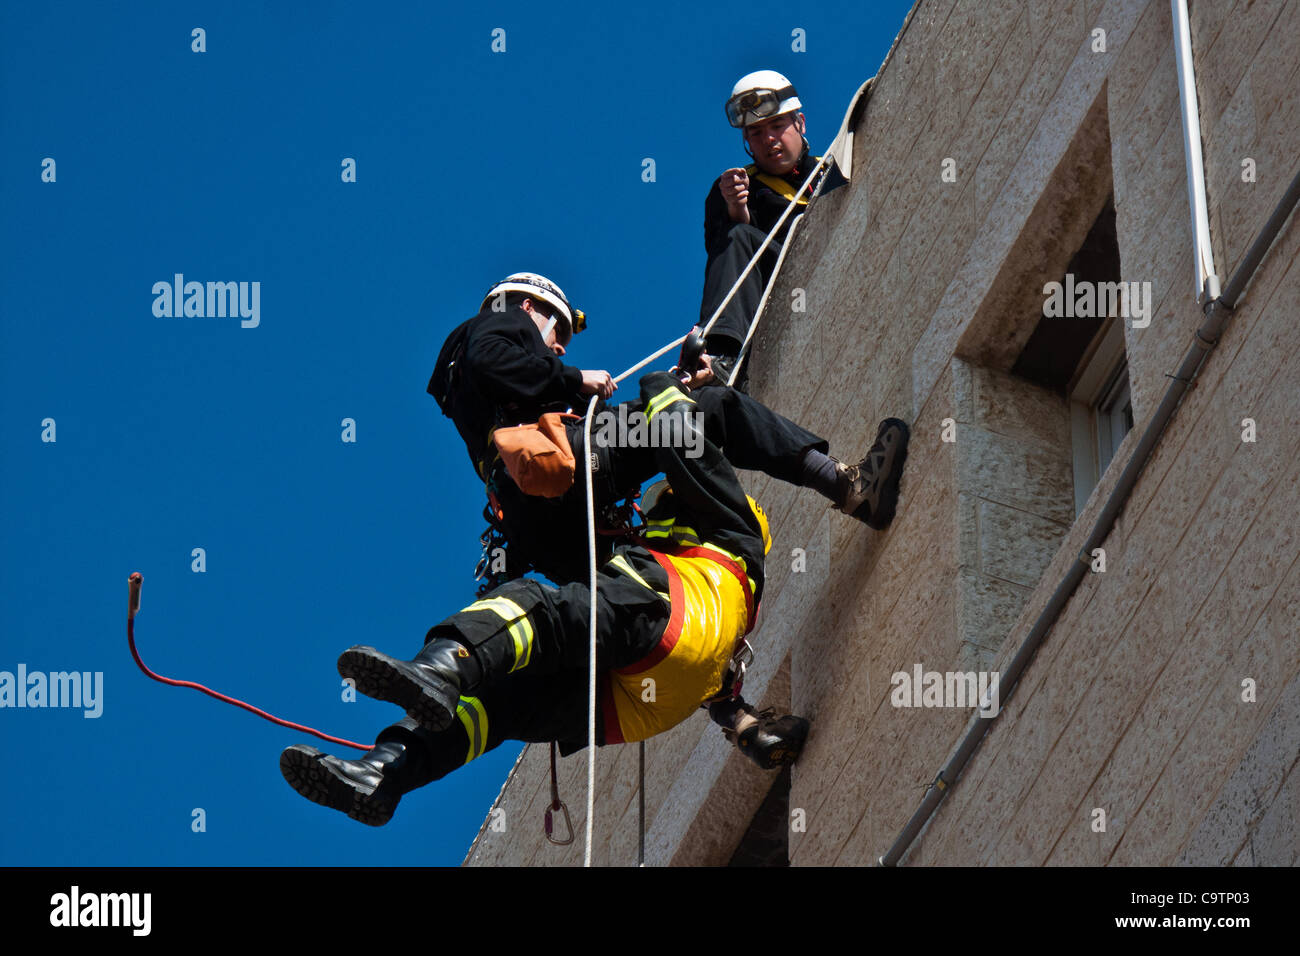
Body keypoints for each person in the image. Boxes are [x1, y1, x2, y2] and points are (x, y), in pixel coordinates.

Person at [281, 372, 807, 825]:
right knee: (498, 702)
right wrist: (750, 730)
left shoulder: (729, 531)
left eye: (663, 502)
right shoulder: (733, 600)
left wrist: (667, 386)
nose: (651, 512)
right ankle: (383, 773)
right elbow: (719, 695)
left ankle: (440, 669)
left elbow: (679, 433)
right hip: (642, 700)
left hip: (669, 628)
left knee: (538, 605)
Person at [429, 272, 911, 590]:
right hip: (574, 460)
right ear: (533, 308)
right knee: (714, 410)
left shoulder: (469, 397)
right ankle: (848, 487)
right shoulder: (499, 325)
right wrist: (577, 380)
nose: (558, 350)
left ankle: (732, 713)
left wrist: (678, 384)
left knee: (647, 592)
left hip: (536, 521)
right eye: (559, 335)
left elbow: (635, 429)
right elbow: (493, 361)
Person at [697, 70, 824, 389]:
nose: (768, 139)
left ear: (801, 123)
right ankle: (723, 355)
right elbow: (725, 253)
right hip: (778, 284)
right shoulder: (738, 186)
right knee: (737, 236)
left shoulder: (833, 170)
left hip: (828, 265)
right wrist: (737, 207)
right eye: (755, 133)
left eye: (777, 125)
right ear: (746, 142)